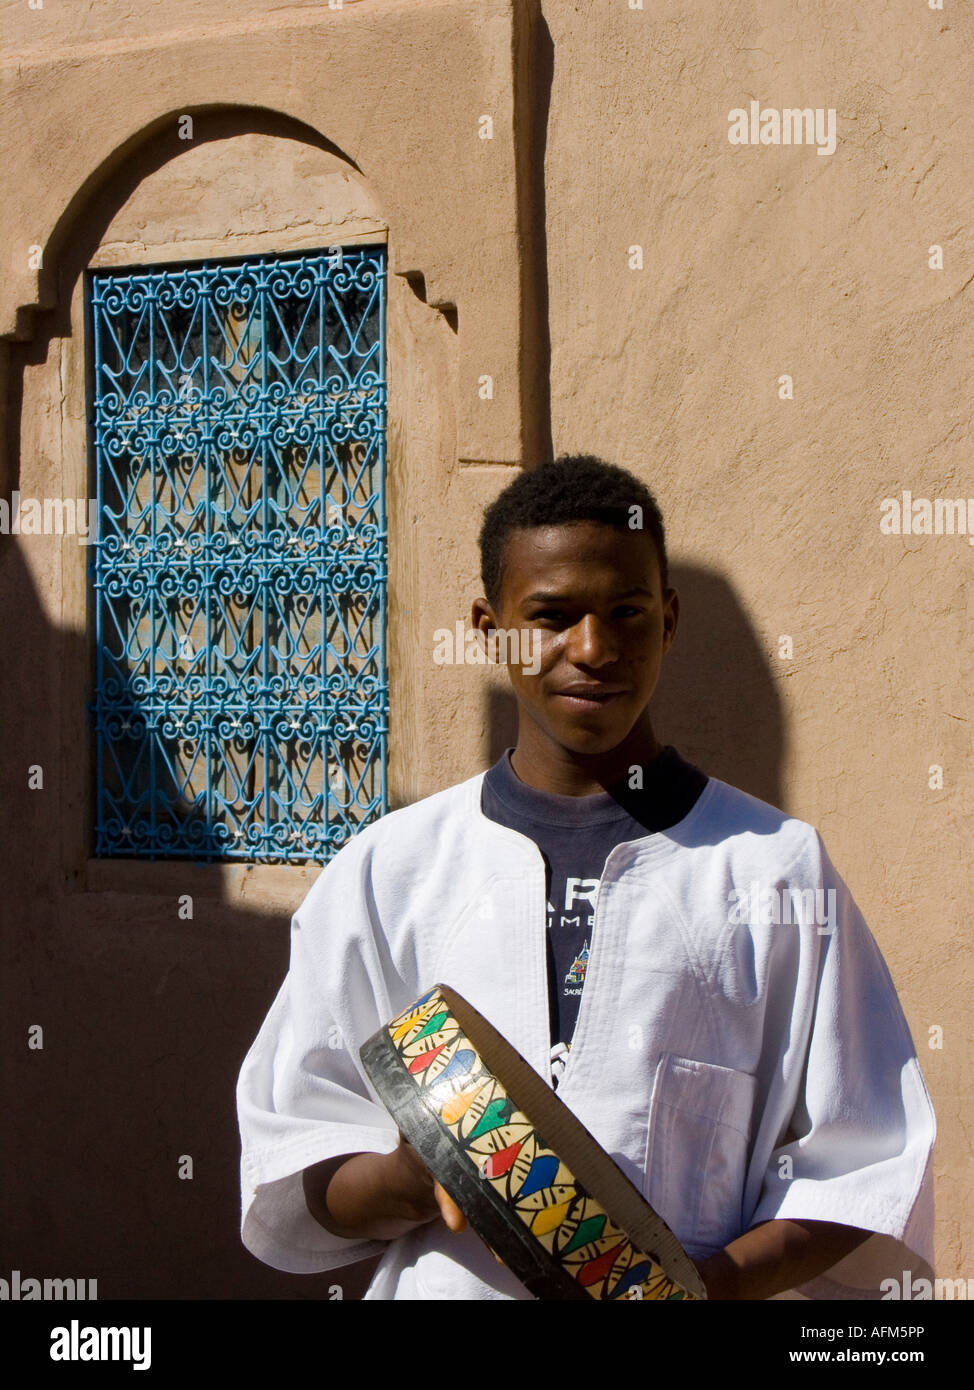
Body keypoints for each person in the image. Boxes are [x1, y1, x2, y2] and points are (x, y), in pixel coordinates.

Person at [236, 454, 935, 1300]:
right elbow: (294, 1148)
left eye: (628, 613)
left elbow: (863, 1163)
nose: (593, 649)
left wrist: (699, 1289)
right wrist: (421, 1177)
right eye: (553, 616)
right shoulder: (391, 871)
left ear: (669, 621)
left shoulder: (774, 869)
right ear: (489, 630)